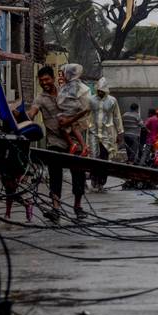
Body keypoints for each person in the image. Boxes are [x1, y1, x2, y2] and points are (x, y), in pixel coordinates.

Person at [27, 65, 90, 219]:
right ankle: (55, 208)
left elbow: (83, 104)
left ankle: (78, 206)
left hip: (74, 139)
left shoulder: (66, 89)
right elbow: (32, 112)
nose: (44, 83)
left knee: (79, 173)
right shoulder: (40, 98)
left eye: (47, 79)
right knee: (55, 174)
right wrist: (25, 116)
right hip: (54, 141)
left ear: (53, 79)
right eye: (41, 81)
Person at [89, 77, 123, 191]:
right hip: (93, 132)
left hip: (107, 134)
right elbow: (86, 115)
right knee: (93, 157)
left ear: (106, 90)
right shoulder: (91, 100)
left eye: (102, 90)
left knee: (104, 158)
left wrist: (120, 133)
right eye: (98, 90)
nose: (99, 92)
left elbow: (117, 116)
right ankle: (94, 179)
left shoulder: (112, 101)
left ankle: (102, 182)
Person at [56, 64, 91, 155]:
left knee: (61, 125)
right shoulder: (76, 84)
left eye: (64, 74)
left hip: (70, 110)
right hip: (74, 110)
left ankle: (73, 144)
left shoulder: (72, 85)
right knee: (74, 127)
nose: (63, 76)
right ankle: (84, 146)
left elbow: (68, 98)